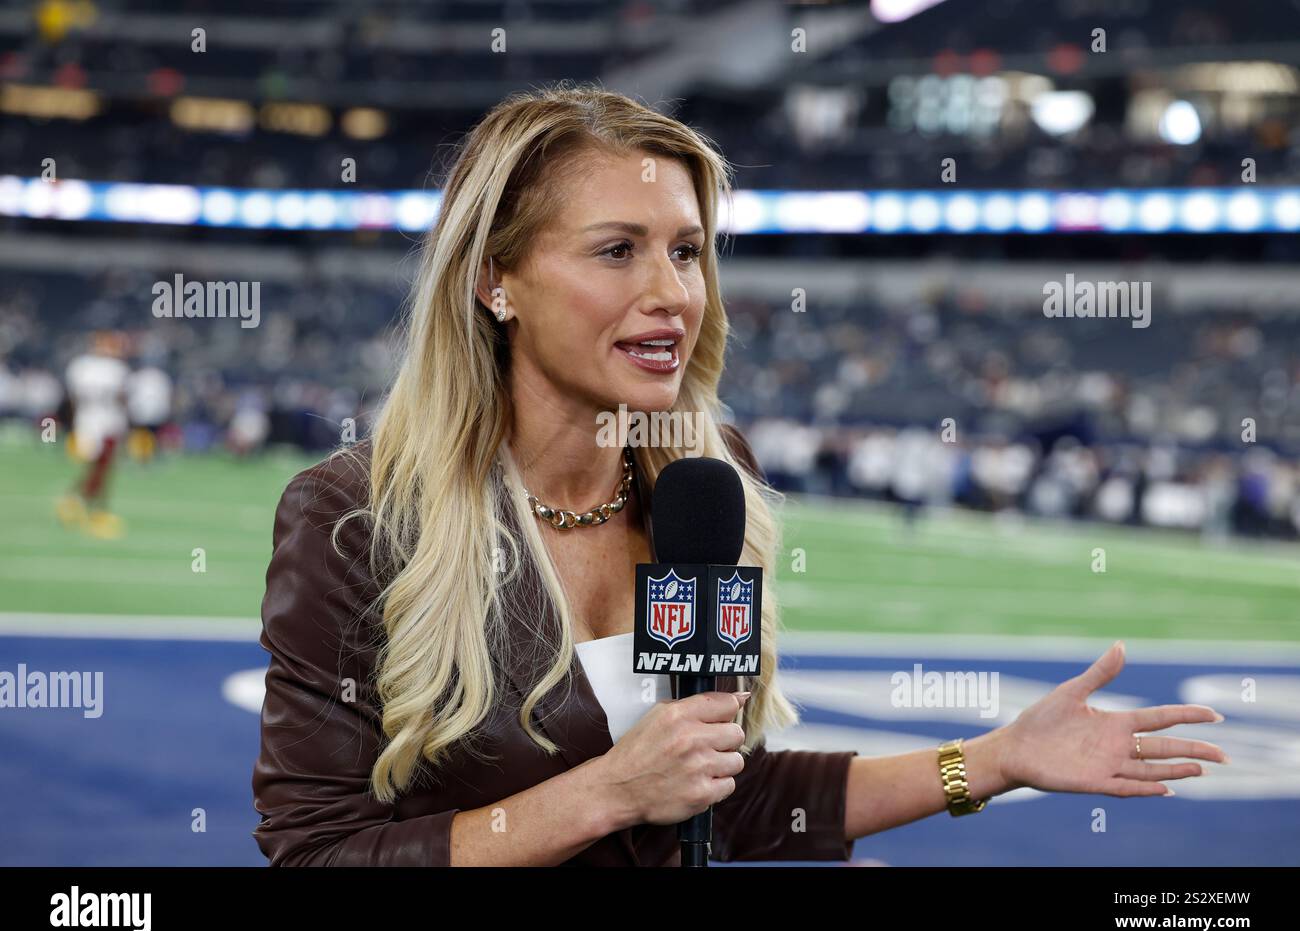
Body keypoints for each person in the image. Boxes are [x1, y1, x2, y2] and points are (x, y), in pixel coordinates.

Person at [251, 83, 1227, 867]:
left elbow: (725, 798)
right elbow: (318, 851)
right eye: (617, 251)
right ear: (493, 279)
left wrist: (991, 760)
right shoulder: (359, 517)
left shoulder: (701, 488)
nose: (671, 293)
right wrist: (604, 792)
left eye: (687, 251)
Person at [57, 331, 130, 539]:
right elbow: (121, 398)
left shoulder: (81, 366)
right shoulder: (113, 369)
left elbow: (73, 399)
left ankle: (77, 503)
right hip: (101, 421)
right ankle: (91, 509)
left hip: (95, 421)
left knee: (99, 467)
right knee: (100, 468)